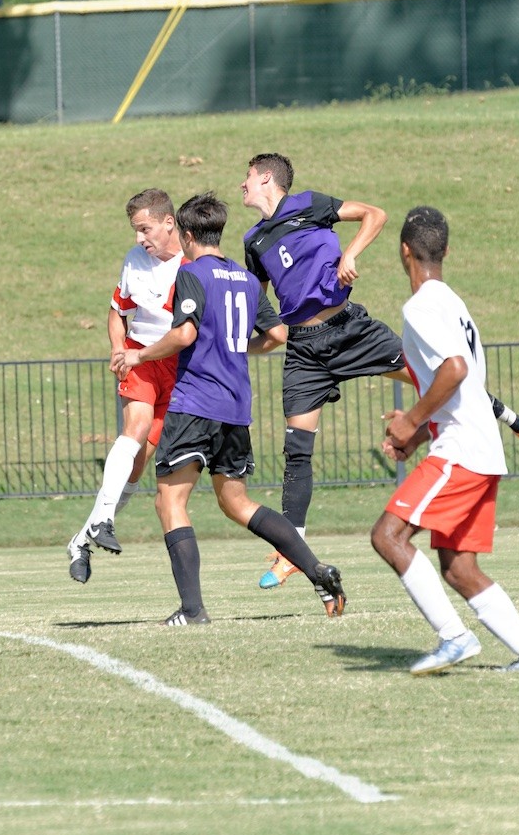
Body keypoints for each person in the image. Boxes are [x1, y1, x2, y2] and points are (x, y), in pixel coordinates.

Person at [238, 152, 519, 593]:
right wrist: (249, 340)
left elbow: (375, 214)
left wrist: (350, 251)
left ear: (267, 179)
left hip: (350, 329)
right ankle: (293, 551)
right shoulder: (253, 241)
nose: (243, 186)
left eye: (248, 178)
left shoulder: (308, 205)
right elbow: (260, 303)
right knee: (297, 450)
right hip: (305, 351)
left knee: (437, 379)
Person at [120, 192, 346, 624]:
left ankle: (192, 610)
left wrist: (140, 355)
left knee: (169, 501)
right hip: (236, 405)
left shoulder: (191, 273)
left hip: (195, 401)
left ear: (186, 236)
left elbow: (184, 335)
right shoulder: (243, 277)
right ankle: (316, 570)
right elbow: (279, 334)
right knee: (236, 502)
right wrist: (236, 347)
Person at [371, 207, 519, 674]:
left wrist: (411, 420)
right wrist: (418, 432)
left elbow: (454, 371)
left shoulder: (420, 306)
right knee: (458, 568)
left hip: (461, 449)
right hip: (481, 448)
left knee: (388, 535)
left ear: (403, 251)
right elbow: (463, 380)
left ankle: (454, 638)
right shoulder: (453, 301)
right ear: (446, 251)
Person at [67, 188, 186, 584]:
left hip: (176, 363)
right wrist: (119, 347)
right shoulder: (134, 261)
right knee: (133, 429)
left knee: (139, 463)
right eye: (136, 230)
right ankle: (102, 521)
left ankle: (81, 540)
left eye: (145, 229)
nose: (140, 239)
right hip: (139, 357)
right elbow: (117, 313)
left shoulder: (192, 262)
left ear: (169, 223)